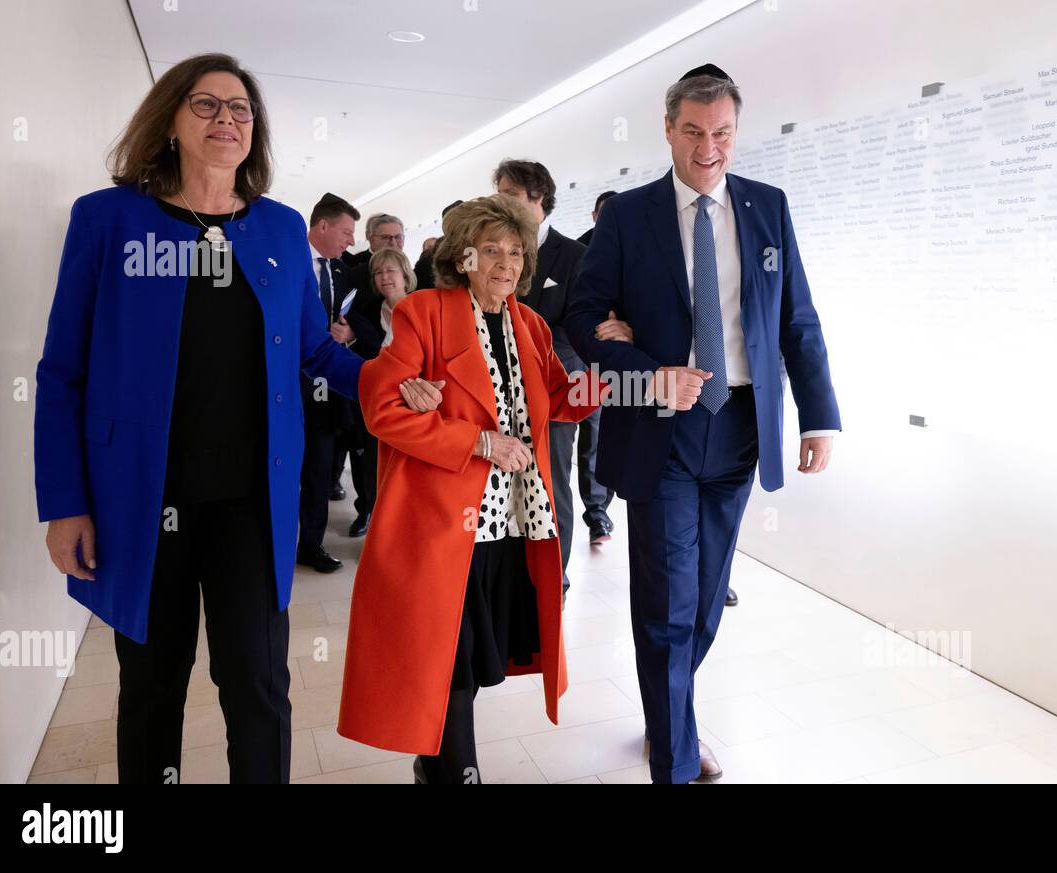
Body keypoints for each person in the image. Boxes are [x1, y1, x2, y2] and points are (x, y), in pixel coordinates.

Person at [34, 53, 365, 783]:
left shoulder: (278, 229)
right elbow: (62, 371)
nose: (227, 120)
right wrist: (65, 503)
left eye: (241, 108)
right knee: (151, 687)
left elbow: (315, 350)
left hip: (250, 502)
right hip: (140, 501)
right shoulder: (109, 219)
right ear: (171, 123)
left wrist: (388, 382)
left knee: (258, 685)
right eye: (207, 105)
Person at [566, 63, 841, 783]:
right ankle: (676, 759)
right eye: (693, 130)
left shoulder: (767, 207)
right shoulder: (628, 214)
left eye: (721, 132)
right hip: (662, 427)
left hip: (742, 428)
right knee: (666, 598)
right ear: (668, 129)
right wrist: (642, 365)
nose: (708, 146)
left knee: (706, 600)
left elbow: (797, 318)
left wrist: (820, 417)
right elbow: (581, 312)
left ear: (735, 132)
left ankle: (669, 721)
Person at [337, 195, 605, 784]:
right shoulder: (423, 312)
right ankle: (455, 768)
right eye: (491, 250)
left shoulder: (529, 325)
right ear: (462, 257)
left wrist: (609, 376)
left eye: (515, 251)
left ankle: (435, 759)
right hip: (441, 516)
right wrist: (477, 442)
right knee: (448, 651)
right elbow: (381, 406)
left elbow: (560, 401)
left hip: (510, 516)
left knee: (480, 652)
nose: (506, 263)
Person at [493, 159, 614, 600]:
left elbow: (579, 327)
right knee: (504, 482)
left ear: (536, 197)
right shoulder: (494, 249)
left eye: (508, 193)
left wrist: (531, 361)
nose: (498, 200)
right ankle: (510, 570)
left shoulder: (575, 256)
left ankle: (554, 574)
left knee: (550, 480)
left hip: (554, 390)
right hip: (496, 390)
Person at [336, 212, 409, 536]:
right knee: (371, 465)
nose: (384, 276)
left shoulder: (424, 307)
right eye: (379, 272)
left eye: (390, 270)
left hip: (415, 404)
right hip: (377, 399)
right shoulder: (368, 303)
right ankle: (373, 518)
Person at [298, 193, 360, 571]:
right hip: (285, 386)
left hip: (326, 388)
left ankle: (311, 545)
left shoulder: (340, 270)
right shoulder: (287, 263)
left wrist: (348, 333)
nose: (351, 241)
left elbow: (351, 318)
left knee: (319, 467)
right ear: (323, 226)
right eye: (347, 231)